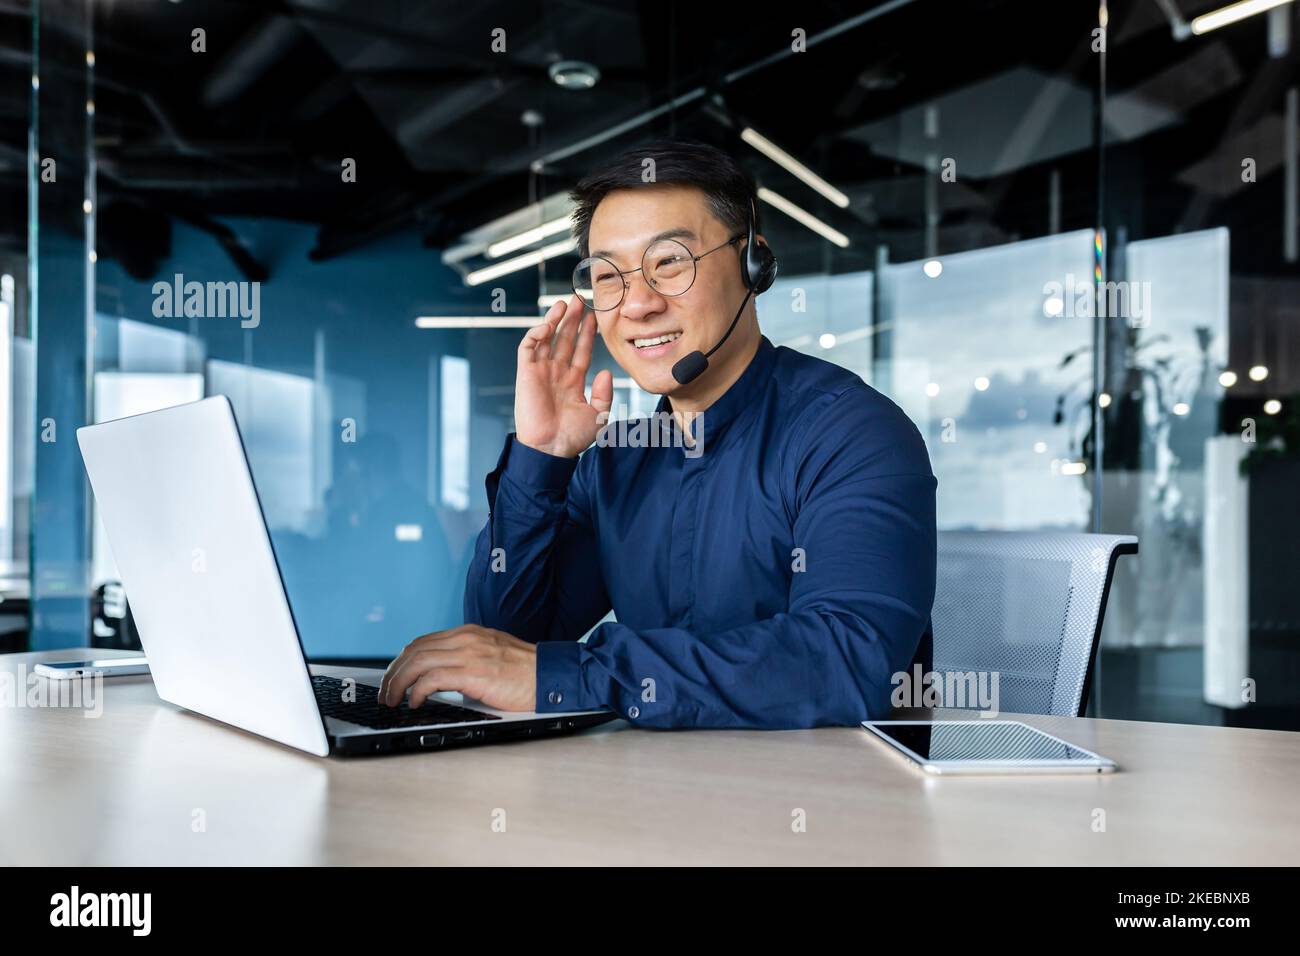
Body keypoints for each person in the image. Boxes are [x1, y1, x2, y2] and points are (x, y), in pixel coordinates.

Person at [380, 139, 936, 729]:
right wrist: (541, 458)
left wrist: (582, 674)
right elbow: (507, 642)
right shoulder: (617, 463)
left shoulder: (851, 432)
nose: (638, 304)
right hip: (652, 793)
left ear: (755, 263)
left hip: (821, 806)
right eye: (607, 275)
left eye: (669, 261)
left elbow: (851, 662)